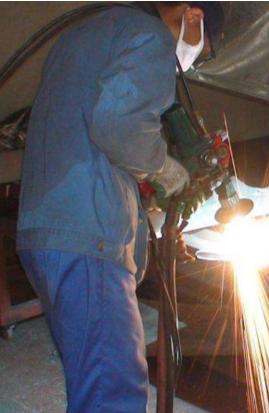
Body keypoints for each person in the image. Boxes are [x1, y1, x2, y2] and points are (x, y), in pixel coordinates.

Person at [16, 2, 223, 412]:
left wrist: (141, 189)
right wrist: (162, 166)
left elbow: (90, 129)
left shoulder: (88, 33)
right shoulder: (150, 36)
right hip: (87, 237)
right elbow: (118, 127)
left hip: (48, 230)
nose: (195, 56)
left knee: (94, 383)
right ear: (193, 17)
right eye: (205, 48)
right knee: (112, 395)